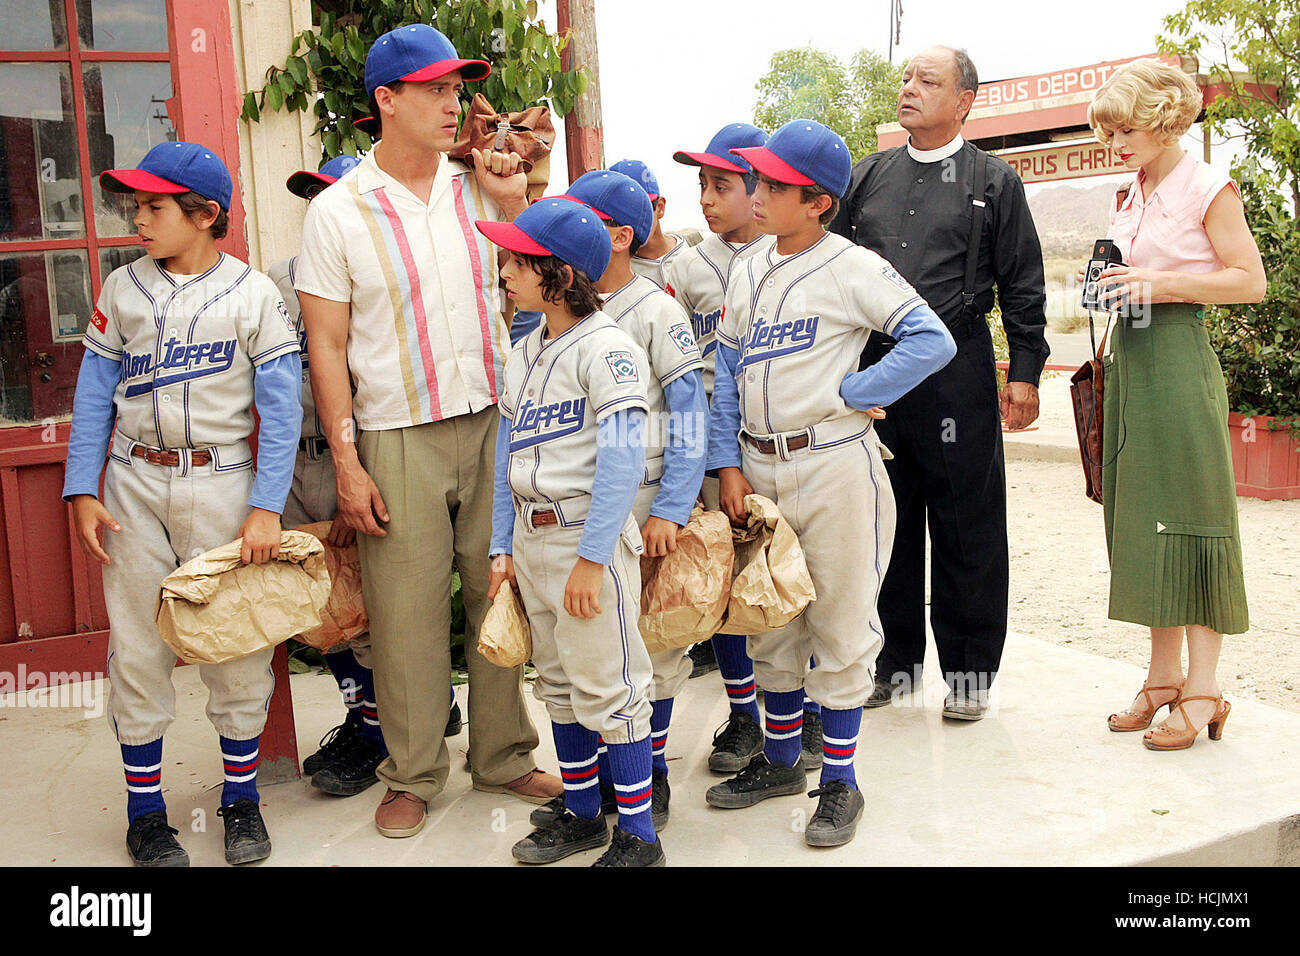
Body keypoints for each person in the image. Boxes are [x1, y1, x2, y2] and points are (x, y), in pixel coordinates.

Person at [294, 24, 560, 840]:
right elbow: (328, 347)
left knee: (498, 591)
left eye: (457, 89)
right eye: (437, 90)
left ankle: (505, 753)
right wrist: (346, 460)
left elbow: (551, 280)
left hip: (493, 421)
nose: (455, 105)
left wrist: (514, 196)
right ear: (386, 99)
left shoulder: (480, 187)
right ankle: (409, 772)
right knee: (403, 610)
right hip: (395, 434)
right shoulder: (338, 213)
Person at [704, 120, 956, 847]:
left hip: (834, 463)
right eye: (759, 179)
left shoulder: (853, 267)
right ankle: (783, 762)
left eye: (774, 185)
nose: (758, 192)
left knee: (842, 628)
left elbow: (931, 338)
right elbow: (725, 371)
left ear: (817, 201)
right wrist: (725, 464)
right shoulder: (748, 266)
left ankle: (841, 783)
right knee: (770, 623)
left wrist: (857, 387)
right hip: (759, 467)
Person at [62, 142, 303, 866]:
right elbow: (94, 393)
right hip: (135, 480)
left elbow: (281, 406)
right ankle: (145, 815)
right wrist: (82, 485)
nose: (138, 218)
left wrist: (266, 504)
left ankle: (241, 800)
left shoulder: (254, 292)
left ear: (203, 215)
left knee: (235, 646)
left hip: (223, 479)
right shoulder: (121, 289)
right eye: (134, 205)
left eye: (154, 206)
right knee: (139, 649)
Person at [831, 45, 1050, 719]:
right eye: (906, 78)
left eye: (929, 80)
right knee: (886, 523)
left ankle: (970, 677)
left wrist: (1027, 373)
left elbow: (1021, 280)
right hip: (879, 370)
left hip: (957, 369)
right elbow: (832, 274)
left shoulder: (994, 181)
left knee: (968, 527)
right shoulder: (866, 178)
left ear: (963, 101)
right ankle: (893, 669)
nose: (910, 88)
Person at [270, 154, 465, 798]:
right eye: (313, 196)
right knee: (324, 605)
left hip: (367, 445)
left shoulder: (385, 267)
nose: (322, 208)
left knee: (386, 604)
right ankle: (366, 717)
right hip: (304, 453)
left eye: (334, 193)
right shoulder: (279, 280)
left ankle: (394, 726)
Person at [481, 198, 666, 867]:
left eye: (517, 259)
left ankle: (640, 836)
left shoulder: (609, 346)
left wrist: (592, 558)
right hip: (532, 539)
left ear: (558, 273)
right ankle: (585, 814)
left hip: (585, 534)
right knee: (558, 683)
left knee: (611, 687)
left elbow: (622, 456)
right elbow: (508, 455)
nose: (505, 268)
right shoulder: (527, 348)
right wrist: (503, 546)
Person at [1085, 59, 1263, 750]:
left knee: (1191, 514)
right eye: (1108, 131)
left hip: (1180, 359)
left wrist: (1160, 284)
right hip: (1131, 360)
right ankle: (1162, 680)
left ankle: (1204, 689)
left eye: (1126, 128)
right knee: (1144, 515)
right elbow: (1132, 272)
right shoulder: (1131, 189)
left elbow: (1250, 281)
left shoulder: (1208, 185)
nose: (1116, 141)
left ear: (1162, 119)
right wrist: (1109, 283)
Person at [666, 122, 829, 772]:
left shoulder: (801, 253)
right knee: (728, 586)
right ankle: (743, 716)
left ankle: (807, 710)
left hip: (789, 445)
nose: (708, 197)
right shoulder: (686, 266)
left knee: (796, 579)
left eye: (722, 183)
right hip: (717, 446)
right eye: (701, 184)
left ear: (760, 185)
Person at [609, 159, 694, 287]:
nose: (628, 222)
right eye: (617, 214)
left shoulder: (700, 245)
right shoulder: (617, 275)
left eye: (636, 209)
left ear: (660, 207)